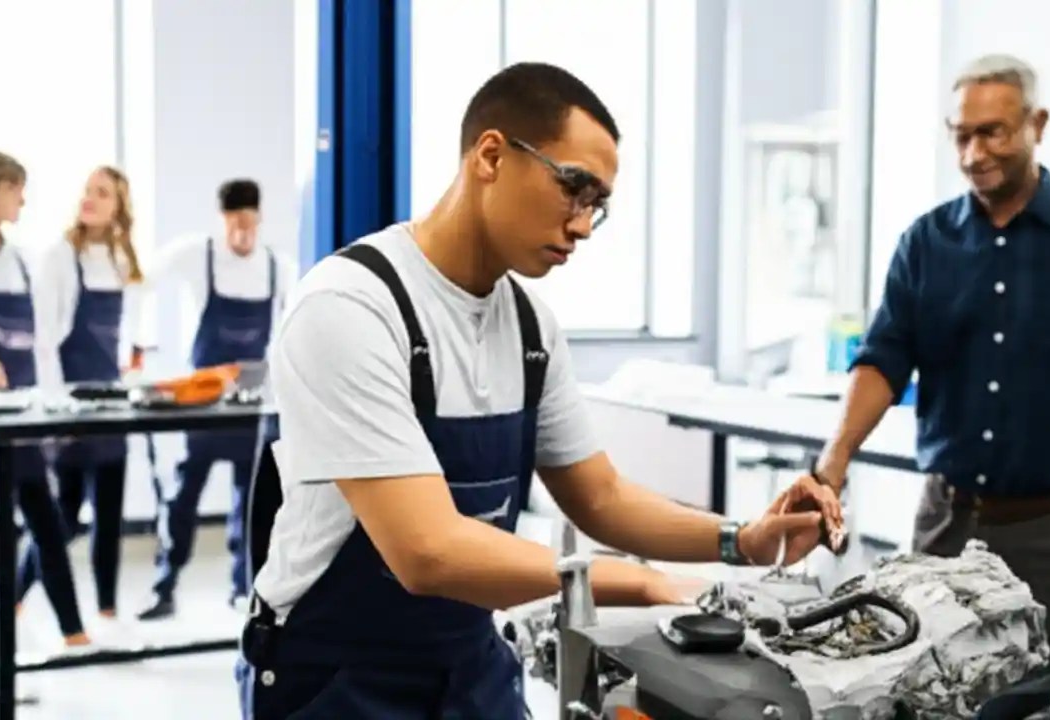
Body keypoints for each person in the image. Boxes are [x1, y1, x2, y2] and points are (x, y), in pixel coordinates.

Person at [237, 62, 843, 719]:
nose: (583, 225)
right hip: (337, 678)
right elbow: (427, 551)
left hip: (469, 665)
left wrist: (742, 539)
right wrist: (643, 584)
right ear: (491, 155)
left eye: (598, 207)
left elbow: (600, 497)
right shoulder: (351, 307)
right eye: (574, 189)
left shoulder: (529, 328)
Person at [805, 54, 1050, 720]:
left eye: (994, 132)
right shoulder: (926, 243)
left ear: (1038, 124)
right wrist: (830, 469)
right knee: (925, 693)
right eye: (961, 135)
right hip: (948, 520)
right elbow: (884, 361)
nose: (975, 153)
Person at [136, 179, 297, 620]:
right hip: (204, 402)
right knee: (184, 495)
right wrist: (137, 343)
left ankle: (243, 588)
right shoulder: (197, 255)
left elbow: (288, 333)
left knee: (250, 500)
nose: (241, 232)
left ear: (259, 219)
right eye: (233, 223)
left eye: (248, 222)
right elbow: (138, 281)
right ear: (222, 219)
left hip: (250, 401)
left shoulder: (277, 268)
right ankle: (164, 585)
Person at [0, 150, 95, 652]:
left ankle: (75, 634)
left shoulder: (20, 259)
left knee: (46, 521)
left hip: (21, 412)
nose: (22, 198)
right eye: (15, 188)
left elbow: (39, 339)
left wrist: (51, 402)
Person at [19, 166, 144, 633]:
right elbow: (45, 341)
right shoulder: (60, 257)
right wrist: (55, 407)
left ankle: (109, 611)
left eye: (102, 193)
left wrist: (135, 356)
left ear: (119, 207)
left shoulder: (120, 260)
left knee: (109, 511)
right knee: (64, 516)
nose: (89, 199)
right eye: (87, 191)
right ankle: (15, 593)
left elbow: (126, 331)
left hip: (111, 399)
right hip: (71, 400)